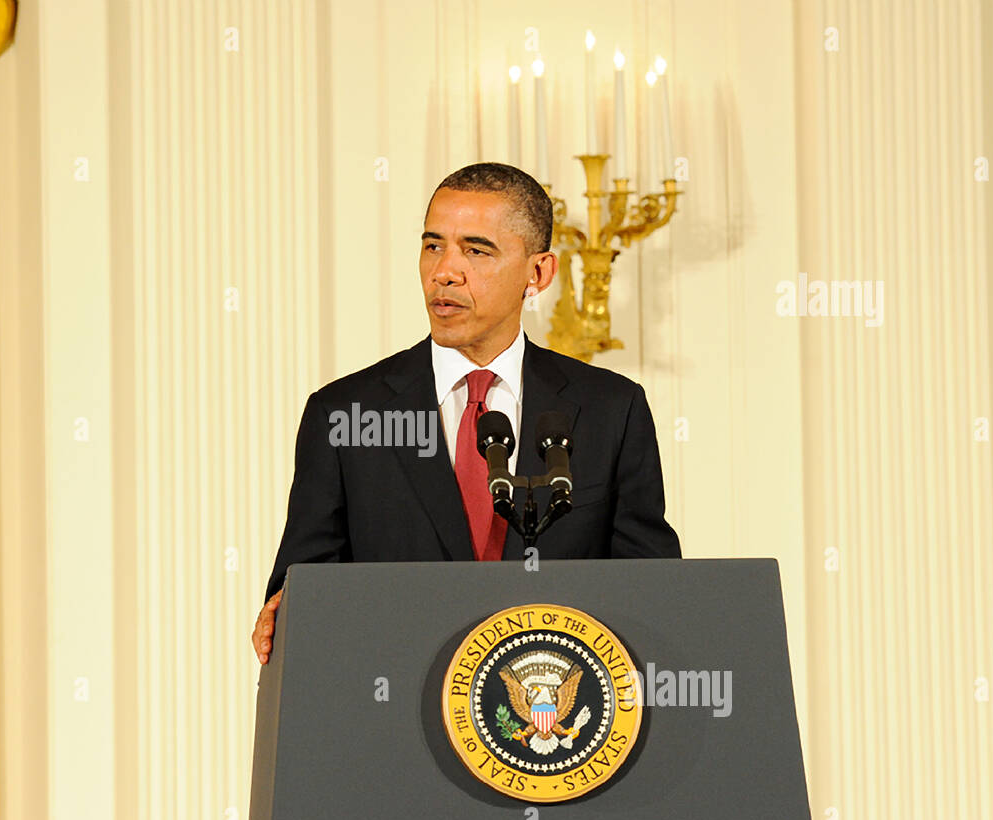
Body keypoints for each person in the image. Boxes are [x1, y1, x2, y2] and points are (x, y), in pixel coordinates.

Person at [252, 162, 681, 664]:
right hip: (393, 710)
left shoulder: (612, 409)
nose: (444, 271)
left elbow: (653, 591)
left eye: (476, 250)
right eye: (433, 245)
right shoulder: (344, 413)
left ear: (537, 272)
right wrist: (289, 605)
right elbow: (305, 587)